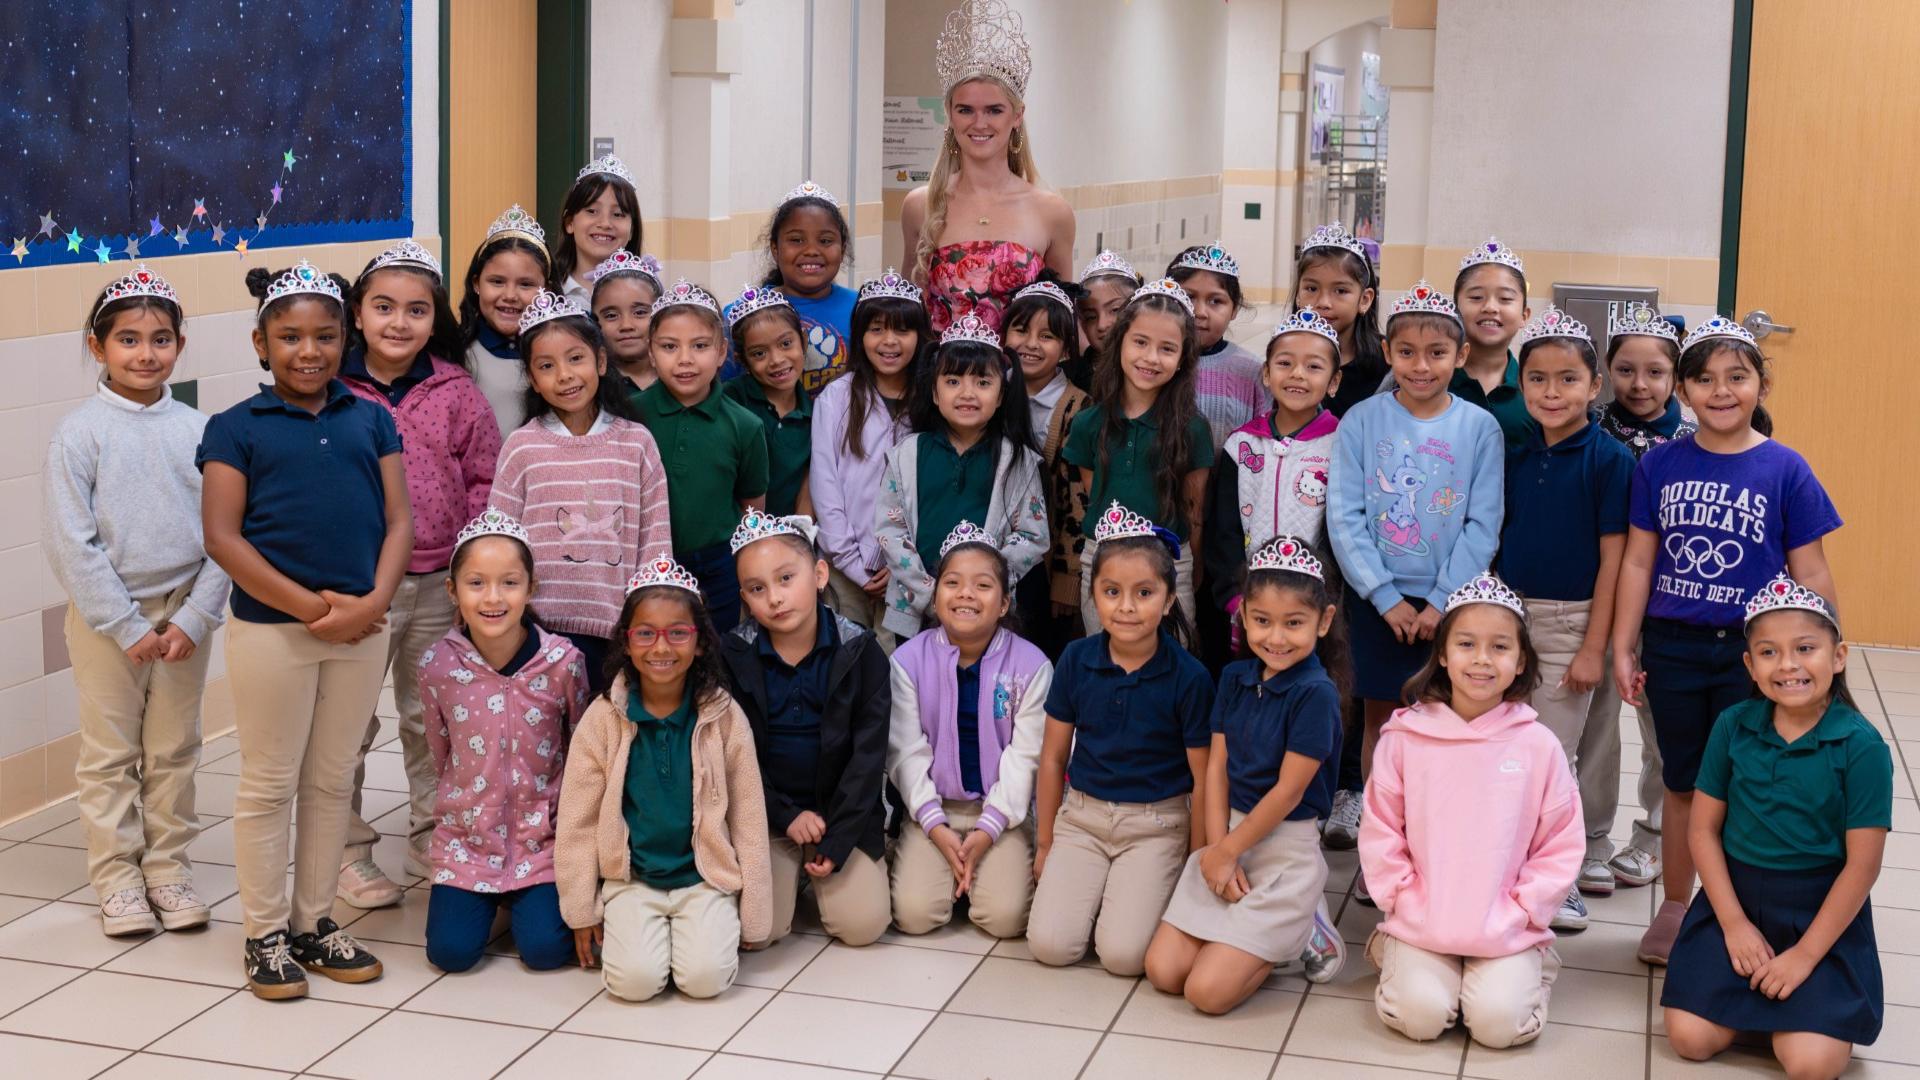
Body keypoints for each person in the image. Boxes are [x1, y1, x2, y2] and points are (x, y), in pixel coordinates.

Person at [199, 261, 407, 999]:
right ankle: (264, 934)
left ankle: (314, 923)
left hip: (363, 629)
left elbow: (399, 521)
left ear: (345, 340)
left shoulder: (371, 417)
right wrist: (315, 611)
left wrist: (372, 600)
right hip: (274, 635)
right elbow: (225, 540)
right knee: (269, 782)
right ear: (262, 343)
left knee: (329, 780)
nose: (308, 350)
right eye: (290, 337)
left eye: (324, 336)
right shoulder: (233, 429)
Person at [1610, 316, 1841, 965]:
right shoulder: (1659, 465)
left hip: (1757, 654)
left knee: (1747, 781)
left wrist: (1823, 653)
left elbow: (1812, 568)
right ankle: (1677, 907)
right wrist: (1625, 646)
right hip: (1676, 647)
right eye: (1704, 379)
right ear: (1682, 390)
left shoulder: (1786, 468)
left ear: (1761, 384)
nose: (1721, 391)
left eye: (1736, 378)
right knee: (1682, 782)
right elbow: (1636, 563)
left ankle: (1738, 910)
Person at [44, 265, 230, 937]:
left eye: (159, 339)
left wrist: (192, 616)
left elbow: (225, 536)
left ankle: (166, 869)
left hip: (184, 614)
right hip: (107, 621)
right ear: (99, 347)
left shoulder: (199, 429)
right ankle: (118, 880)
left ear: (179, 344)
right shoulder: (80, 434)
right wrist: (123, 624)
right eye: (128, 339)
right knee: (110, 753)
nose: (145, 354)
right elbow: (72, 543)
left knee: (175, 747)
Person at [1663, 576, 1889, 1079]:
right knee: (1690, 1039)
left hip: (1819, 909)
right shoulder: (1733, 726)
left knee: (1811, 1065)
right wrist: (1734, 925)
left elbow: (1863, 865)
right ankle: (1767, 1008)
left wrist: (1806, 956)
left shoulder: (1862, 746)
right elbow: (1702, 832)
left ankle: (1790, 1010)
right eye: (1768, 652)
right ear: (1750, 665)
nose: (1787, 665)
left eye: (1805, 648)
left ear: (1838, 656)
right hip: (1737, 898)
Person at [336, 239, 503, 910]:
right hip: (355, 586)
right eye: (382, 307)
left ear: (436, 320)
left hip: (436, 586)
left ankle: (435, 841)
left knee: (428, 719)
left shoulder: (456, 392)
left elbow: (485, 480)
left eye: (415, 310)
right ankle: (344, 851)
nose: (398, 323)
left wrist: (471, 574)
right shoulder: (332, 388)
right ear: (356, 313)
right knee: (347, 724)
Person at [1359, 573, 1583, 1049]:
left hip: (1505, 922)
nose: (1482, 660)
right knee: (1420, 1018)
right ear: (1442, 653)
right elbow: (1380, 828)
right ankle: (1399, 950)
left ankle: (1532, 964)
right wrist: (1400, 898)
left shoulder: (1538, 746)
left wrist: (1524, 910)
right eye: (1466, 644)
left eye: (1500, 647)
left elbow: (1560, 843)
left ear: (1521, 661)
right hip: (1424, 918)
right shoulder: (1404, 738)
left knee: (1497, 1026)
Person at [1327, 281, 1504, 880]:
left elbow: (1483, 523)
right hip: (1377, 604)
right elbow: (1345, 514)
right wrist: (1384, 597)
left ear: (1459, 356)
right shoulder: (1361, 420)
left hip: (1448, 606)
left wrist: (1439, 602)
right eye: (1406, 352)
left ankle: (1439, 840)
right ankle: (1386, 844)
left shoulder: (1480, 428)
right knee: (1382, 719)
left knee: (1445, 719)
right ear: (1387, 350)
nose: (1421, 366)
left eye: (1436, 353)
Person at [1145, 537, 1347, 1015]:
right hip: (1227, 835)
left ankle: (1306, 925)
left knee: (1206, 993)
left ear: (1324, 621)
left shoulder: (1316, 695)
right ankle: (1252, 934)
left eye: (1293, 623)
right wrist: (1218, 851)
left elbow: (1288, 790)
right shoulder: (1234, 678)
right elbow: (1217, 769)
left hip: (1283, 846)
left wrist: (1230, 851)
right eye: (1262, 621)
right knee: (1164, 972)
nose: (1276, 637)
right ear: (1243, 617)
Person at [554, 556, 772, 1001]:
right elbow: (577, 822)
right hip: (633, 879)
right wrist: (580, 911)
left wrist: (755, 916)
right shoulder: (603, 719)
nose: (661, 647)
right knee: (633, 984)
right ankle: (653, 939)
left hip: (704, 879)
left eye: (678, 633)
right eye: (646, 633)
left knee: (705, 981)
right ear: (626, 641)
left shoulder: (723, 717)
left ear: (700, 643)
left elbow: (748, 818)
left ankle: (699, 934)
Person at [1027, 504, 1214, 976]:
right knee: (1050, 945)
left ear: (1169, 599)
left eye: (1144, 592)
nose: (1126, 607)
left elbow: (1203, 779)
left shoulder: (1189, 677)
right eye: (1112, 592)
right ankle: (1095, 895)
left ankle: (1128, 899)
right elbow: (1051, 760)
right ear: (1094, 595)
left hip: (1155, 825)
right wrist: (1046, 841)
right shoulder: (1074, 658)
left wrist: (1195, 860)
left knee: (1124, 957)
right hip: (1084, 818)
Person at [1496, 307, 1636, 929]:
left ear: (1594, 386)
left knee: (1554, 756)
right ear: (1521, 385)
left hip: (1572, 621)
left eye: (1568, 380)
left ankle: (1563, 874)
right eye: (1538, 380)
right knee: (1508, 748)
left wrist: (1593, 648)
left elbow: (1615, 562)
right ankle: (1508, 864)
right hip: (1508, 618)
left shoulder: (1609, 461)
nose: (1552, 393)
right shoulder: (1520, 454)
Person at [419, 510, 590, 973]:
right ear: (453, 591)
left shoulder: (563, 663)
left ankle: (521, 899)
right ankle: (488, 899)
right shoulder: (438, 666)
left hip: (543, 842)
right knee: (450, 955)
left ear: (531, 589)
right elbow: (441, 753)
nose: (493, 598)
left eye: (509, 583)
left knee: (545, 952)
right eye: (476, 583)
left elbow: (579, 748)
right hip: (469, 842)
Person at [720, 512, 893, 947]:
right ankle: (786, 870)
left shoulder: (860, 651)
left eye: (785, 579)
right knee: (759, 932)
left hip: (840, 814)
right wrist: (786, 816)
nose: (775, 598)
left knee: (862, 926)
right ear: (744, 597)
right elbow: (733, 756)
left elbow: (868, 759)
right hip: (766, 814)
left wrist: (837, 839)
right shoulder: (732, 655)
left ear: (818, 574)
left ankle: (825, 870)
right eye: (758, 589)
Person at [488, 290, 672, 693]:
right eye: (547, 366)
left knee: (605, 742)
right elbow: (499, 542)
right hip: (536, 632)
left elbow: (655, 540)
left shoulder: (636, 443)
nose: (565, 376)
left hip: (616, 632)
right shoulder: (521, 448)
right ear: (533, 379)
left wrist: (647, 617)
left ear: (601, 362)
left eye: (576, 359)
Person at [886, 523, 1050, 939]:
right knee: (914, 916)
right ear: (935, 594)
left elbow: (1026, 756)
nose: (965, 595)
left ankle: (973, 874)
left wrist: (988, 828)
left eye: (982, 585)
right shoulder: (907, 662)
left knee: (1005, 919)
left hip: (1002, 813)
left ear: (1004, 603)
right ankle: (944, 869)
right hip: (933, 810)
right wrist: (935, 825)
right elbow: (905, 752)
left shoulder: (1032, 666)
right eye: (952, 583)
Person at [1594, 301, 1697, 890]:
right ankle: (1588, 836)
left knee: (1663, 732)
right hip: (1601, 597)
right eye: (1626, 370)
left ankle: (1656, 837)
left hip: (1667, 606)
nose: (1640, 383)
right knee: (1598, 728)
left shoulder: (1692, 437)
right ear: (1607, 371)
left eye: (1655, 371)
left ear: (1675, 377)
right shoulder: (1592, 428)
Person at [902, 0, 1073, 332]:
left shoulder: (1052, 212)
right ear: (950, 114)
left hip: (1022, 381)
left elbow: (1064, 319)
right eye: (966, 110)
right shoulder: (920, 205)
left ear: (1017, 115)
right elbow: (909, 313)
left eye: (994, 110)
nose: (979, 123)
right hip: (939, 378)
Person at [874, 312, 1047, 640]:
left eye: (983, 383)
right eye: (953, 381)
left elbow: (1033, 536)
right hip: (919, 608)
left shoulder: (1017, 461)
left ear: (1000, 396)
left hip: (986, 612)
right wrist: (930, 593)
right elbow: (890, 529)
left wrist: (982, 586)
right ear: (935, 393)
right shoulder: (907, 455)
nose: (967, 393)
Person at [1062, 279, 1214, 630]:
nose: (1150, 358)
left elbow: (1194, 512)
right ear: (1119, 344)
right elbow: (1094, 493)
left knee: (1173, 660)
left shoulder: (1192, 429)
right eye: (1140, 342)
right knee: (1104, 660)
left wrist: (1195, 565)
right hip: (1103, 561)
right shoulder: (1088, 423)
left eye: (1167, 348)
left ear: (1183, 359)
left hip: (1171, 563)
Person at [632, 279, 772, 632]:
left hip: (718, 565)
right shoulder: (630, 417)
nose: (685, 360)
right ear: (651, 352)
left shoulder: (745, 425)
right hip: (645, 558)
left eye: (699, 346)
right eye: (669, 346)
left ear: (722, 352)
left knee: (718, 650)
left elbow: (751, 507)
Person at [1204, 308, 1342, 647]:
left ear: (1334, 381)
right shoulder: (1242, 444)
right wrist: (1234, 598)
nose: (1297, 375)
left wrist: (1325, 595)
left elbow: (1341, 531)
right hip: (1250, 603)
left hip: (1313, 602)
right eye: (1284, 363)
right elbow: (1224, 529)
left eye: (1313, 366)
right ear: (1266, 373)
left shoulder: (1341, 444)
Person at [811, 270, 929, 635]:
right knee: (847, 664)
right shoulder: (837, 397)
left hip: (915, 568)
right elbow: (825, 484)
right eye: (876, 329)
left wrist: (903, 564)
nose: (889, 341)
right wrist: (852, 563)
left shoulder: (932, 400)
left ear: (920, 336)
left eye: (902, 330)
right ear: (859, 335)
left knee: (899, 671)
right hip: (846, 567)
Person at [1003, 279, 1091, 652]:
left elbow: (1077, 504)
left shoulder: (1077, 408)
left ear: (1067, 349)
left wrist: (1066, 581)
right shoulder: (990, 389)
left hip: (1045, 565)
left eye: (1048, 336)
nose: (1031, 344)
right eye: (1021, 330)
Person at [722, 181, 857, 390]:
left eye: (825, 240)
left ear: (843, 248)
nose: (812, 250)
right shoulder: (742, 315)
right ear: (775, 248)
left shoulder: (860, 309)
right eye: (796, 240)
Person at [459, 205, 550, 433]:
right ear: (476, 283)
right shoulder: (458, 353)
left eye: (526, 284)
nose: (510, 296)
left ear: (546, 289)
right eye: (497, 282)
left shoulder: (561, 352)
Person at [723, 285, 813, 517]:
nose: (776, 360)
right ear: (742, 360)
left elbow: (809, 481)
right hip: (735, 534)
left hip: (789, 536)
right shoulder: (729, 400)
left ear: (802, 340)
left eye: (785, 344)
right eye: (759, 354)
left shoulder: (815, 412)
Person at [1168, 245, 1264, 453]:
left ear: (1235, 309)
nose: (1199, 312)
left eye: (1216, 301)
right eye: (1189, 296)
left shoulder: (1252, 371)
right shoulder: (1153, 362)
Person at [1293, 223, 1386, 419]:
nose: (1323, 303)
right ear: (1298, 295)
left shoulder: (1387, 364)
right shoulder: (1284, 360)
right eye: (1311, 289)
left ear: (1365, 300)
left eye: (1341, 291)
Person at [551, 153, 643, 304]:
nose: (605, 223)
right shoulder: (548, 289)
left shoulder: (646, 293)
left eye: (618, 214)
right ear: (569, 223)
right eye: (592, 211)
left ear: (632, 229)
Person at [588, 249, 665, 394]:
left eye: (640, 313)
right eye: (611, 316)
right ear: (594, 321)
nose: (626, 325)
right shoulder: (590, 388)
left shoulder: (681, 377)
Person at [1070, 250, 1140, 391]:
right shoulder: (1068, 378)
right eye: (1091, 317)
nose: (1102, 325)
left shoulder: (1153, 371)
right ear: (1082, 324)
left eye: (1115, 310)